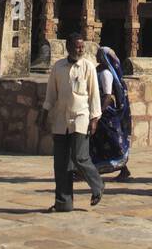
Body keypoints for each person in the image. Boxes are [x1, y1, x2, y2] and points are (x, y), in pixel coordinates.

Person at [41, 33, 104, 212]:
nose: (80, 49)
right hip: (61, 119)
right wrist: (44, 113)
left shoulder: (87, 67)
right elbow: (51, 94)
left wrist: (94, 119)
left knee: (79, 156)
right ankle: (63, 202)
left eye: (82, 46)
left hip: (81, 117)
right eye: (77, 47)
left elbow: (94, 95)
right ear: (68, 47)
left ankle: (97, 185)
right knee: (61, 163)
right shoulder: (58, 67)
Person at [89, 46, 132, 181]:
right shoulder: (98, 70)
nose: (97, 55)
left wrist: (99, 112)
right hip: (98, 109)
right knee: (99, 142)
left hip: (105, 112)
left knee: (112, 142)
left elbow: (107, 95)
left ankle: (123, 168)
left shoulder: (106, 73)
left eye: (99, 54)